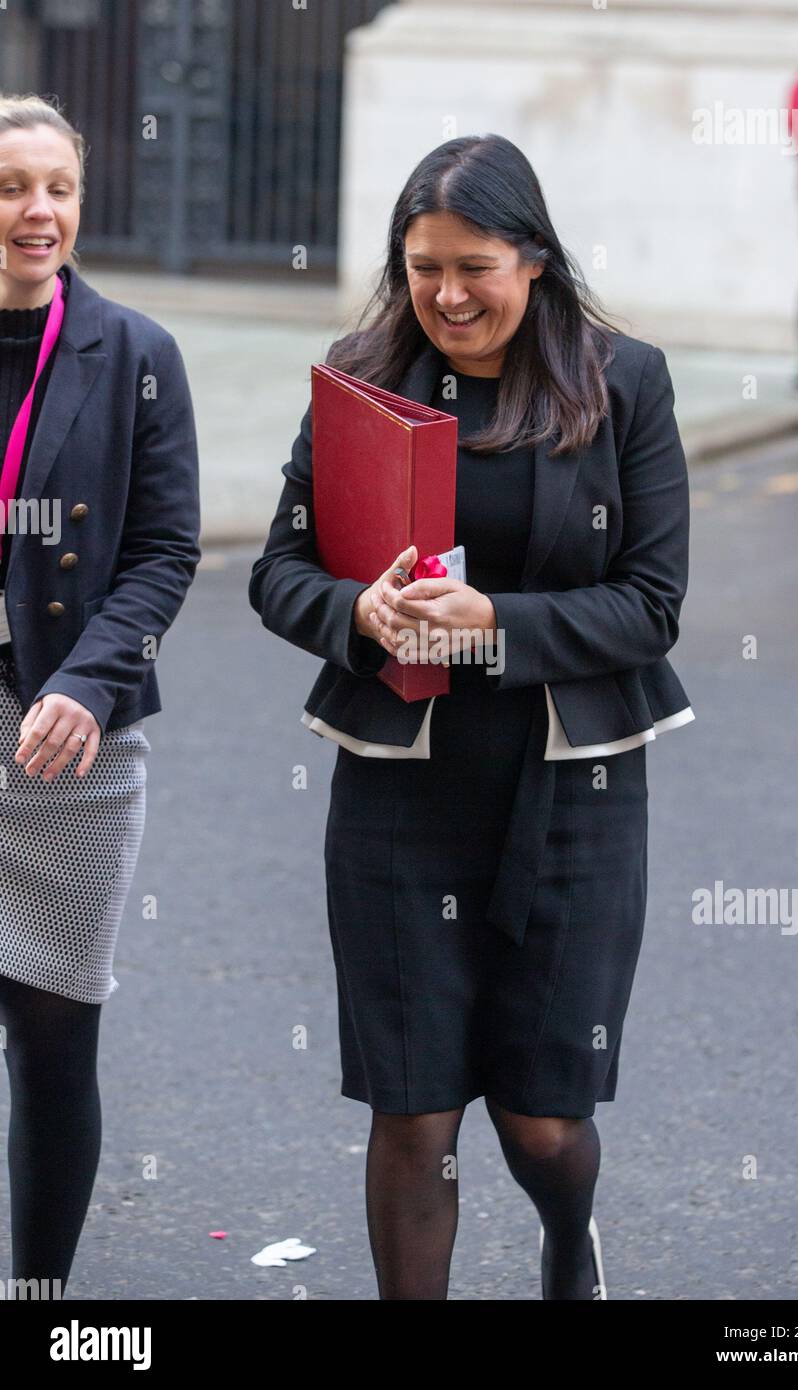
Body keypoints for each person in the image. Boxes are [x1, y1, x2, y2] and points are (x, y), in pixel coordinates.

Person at [249, 133, 694, 1301]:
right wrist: (364, 609)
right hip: (402, 789)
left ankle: (565, 1240)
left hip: (570, 791)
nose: (445, 295)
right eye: (421, 267)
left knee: (544, 1122)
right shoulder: (358, 375)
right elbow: (278, 573)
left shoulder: (625, 381)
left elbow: (650, 607)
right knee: (414, 1113)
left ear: (534, 260)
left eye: (474, 267)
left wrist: (492, 617)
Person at [0, 95, 201, 1296]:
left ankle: (41, 1301)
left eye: (57, 189)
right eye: (13, 187)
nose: (38, 212)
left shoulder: (134, 354)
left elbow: (166, 548)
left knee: (55, 1035)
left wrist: (86, 678)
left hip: (70, 740)